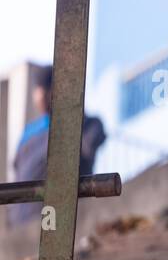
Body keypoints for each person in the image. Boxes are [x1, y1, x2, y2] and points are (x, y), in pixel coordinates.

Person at [7, 64, 106, 227]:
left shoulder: (85, 124)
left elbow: (90, 145)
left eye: (47, 89)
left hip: (59, 220)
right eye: (40, 90)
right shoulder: (29, 133)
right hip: (24, 223)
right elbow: (17, 172)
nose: (41, 96)